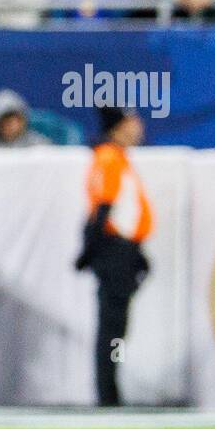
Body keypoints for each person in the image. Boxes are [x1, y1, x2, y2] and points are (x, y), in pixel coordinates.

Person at [74, 106, 152, 407]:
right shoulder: (109, 158)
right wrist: (92, 250)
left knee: (116, 327)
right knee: (112, 328)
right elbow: (104, 208)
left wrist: (137, 252)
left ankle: (109, 392)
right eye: (133, 121)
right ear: (119, 127)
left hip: (121, 250)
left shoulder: (115, 158)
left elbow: (122, 211)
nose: (139, 126)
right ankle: (108, 396)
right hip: (114, 251)